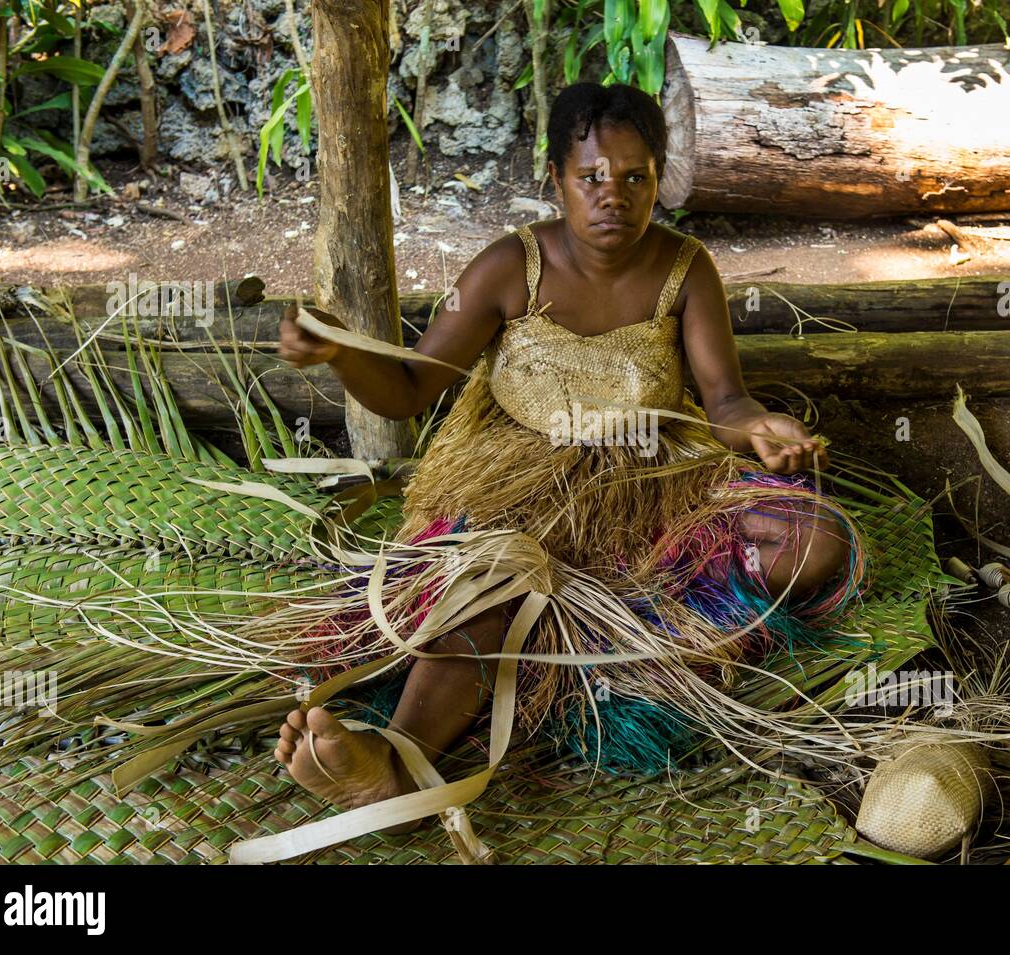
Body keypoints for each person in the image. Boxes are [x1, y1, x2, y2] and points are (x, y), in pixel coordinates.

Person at [270, 81, 868, 831]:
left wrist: (761, 429)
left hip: (655, 481)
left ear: (659, 180)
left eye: (634, 177)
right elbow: (406, 388)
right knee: (497, 581)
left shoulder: (686, 270)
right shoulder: (505, 267)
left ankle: (618, 643)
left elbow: (724, 403)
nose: (611, 196)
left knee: (814, 541)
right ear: (555, 179)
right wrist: (337, 353)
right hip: (518, 494)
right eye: (590, 177)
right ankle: (396, 762)